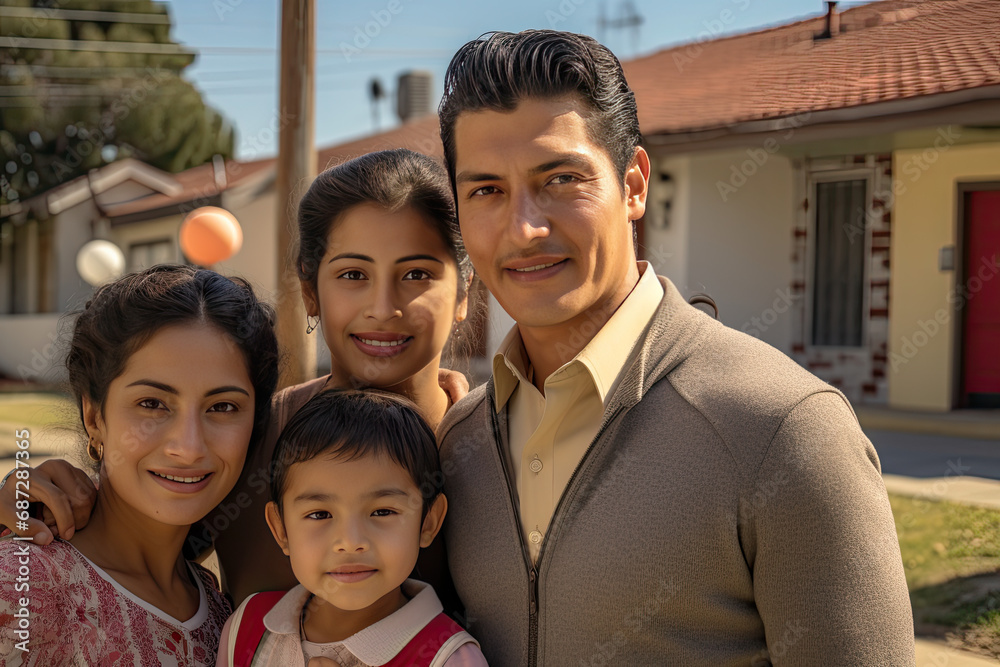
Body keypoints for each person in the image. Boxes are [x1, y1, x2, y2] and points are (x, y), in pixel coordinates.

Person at [433, 30, 915, 665]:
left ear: (633, 184)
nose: (524, 227)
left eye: (560, 178)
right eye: (487, 190)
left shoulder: (784, 431)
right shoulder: (460, 440)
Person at [0, 149, 475, 605]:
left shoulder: (498, 445)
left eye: (416, 274)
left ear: (462, 293)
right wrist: (35, 503)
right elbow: (133, 543)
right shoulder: (254, 435)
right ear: (310, 292)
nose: (382, 308)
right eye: (353, 274)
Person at [0, 265, 279, 666]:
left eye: (222, 407)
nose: (188, 447)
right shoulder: (25, 586)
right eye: (152, 404)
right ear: (94, 417)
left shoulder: (221, 614)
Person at [216, 389, 486, 666]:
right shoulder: (247, 626)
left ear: (428, 521)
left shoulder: (449, 657)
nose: (350, 541)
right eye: (320, 514)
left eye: (382, 511)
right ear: (281, 529)